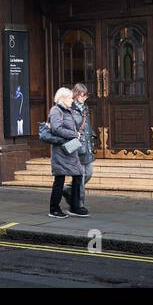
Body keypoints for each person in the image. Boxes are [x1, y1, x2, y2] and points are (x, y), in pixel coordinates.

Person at [46, 87, 87, 218]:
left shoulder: (68, 111)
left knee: (78, 175)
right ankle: (54, 208)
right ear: (62, 99)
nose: (72, 100)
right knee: (60, 178)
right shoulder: (55, 110)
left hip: (70, 149)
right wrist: (74, 134)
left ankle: (74, 206)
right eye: (70, 98)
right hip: (61, 150)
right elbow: (56, 128)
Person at [61, 83, 94, 212]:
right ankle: (78, 205)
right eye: (82, 95)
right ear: (76, 94)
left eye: (86, 95)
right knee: (81, 176)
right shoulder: (69, 108)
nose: (85, 98)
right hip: (77, 146)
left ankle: (68, 189)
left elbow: (87, 126)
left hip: (87, 146)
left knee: (89, 173)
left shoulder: (85, 108)